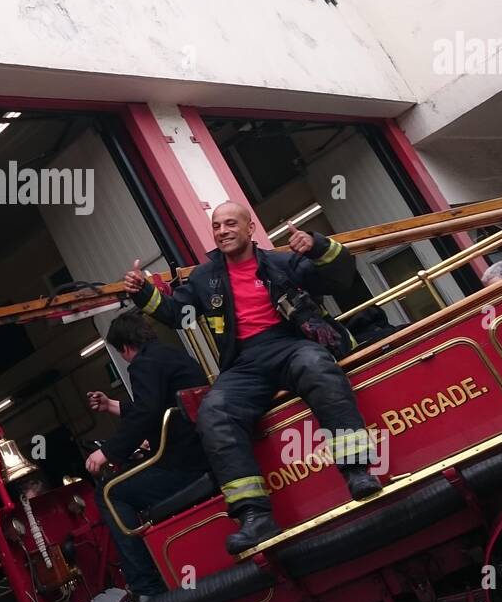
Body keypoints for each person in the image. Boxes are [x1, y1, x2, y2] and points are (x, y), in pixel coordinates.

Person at [124, 201, 381, 556]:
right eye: (217, 226)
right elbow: (177, 315)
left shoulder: (281, 262)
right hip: (244, 364)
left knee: (317, 368)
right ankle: (255, 517)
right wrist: (141, 291)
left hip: (293, 346)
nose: (223, 231)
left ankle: (357, 472)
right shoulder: (204, 277)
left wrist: (319, 246)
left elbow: (340, 278)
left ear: (249, 230)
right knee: (214, 412)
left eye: (231, 224)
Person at [84, 310, 211, 600]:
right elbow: (153, 407)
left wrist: (107, 452)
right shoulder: (173, 356)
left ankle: (147, 587)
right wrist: (111, 405)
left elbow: (147, 412)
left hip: (183, 465)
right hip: (201, 453)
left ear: (125, 348)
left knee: (109, 492)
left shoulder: (141, 365)